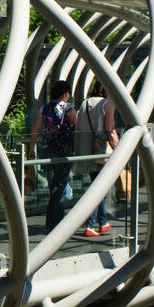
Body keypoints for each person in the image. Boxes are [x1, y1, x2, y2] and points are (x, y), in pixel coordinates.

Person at [29, 80, 78, 233]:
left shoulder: (45, 108)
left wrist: (32, 147)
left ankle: (59, 220)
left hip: (47, 150)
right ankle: (52, 221)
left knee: (54, 186)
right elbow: (78, 128)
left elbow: (36, 128)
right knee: (60, 185)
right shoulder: (69, 108)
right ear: (65, 93)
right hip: (65, 151)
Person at [77, 84, 119, 237]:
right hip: (102, 151)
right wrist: (119, 148)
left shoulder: (85, 102)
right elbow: (109, 130)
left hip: (87, 149)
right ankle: (89, 225)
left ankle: (103, 222)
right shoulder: (107, 104)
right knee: (98, 188)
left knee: (97, 185)